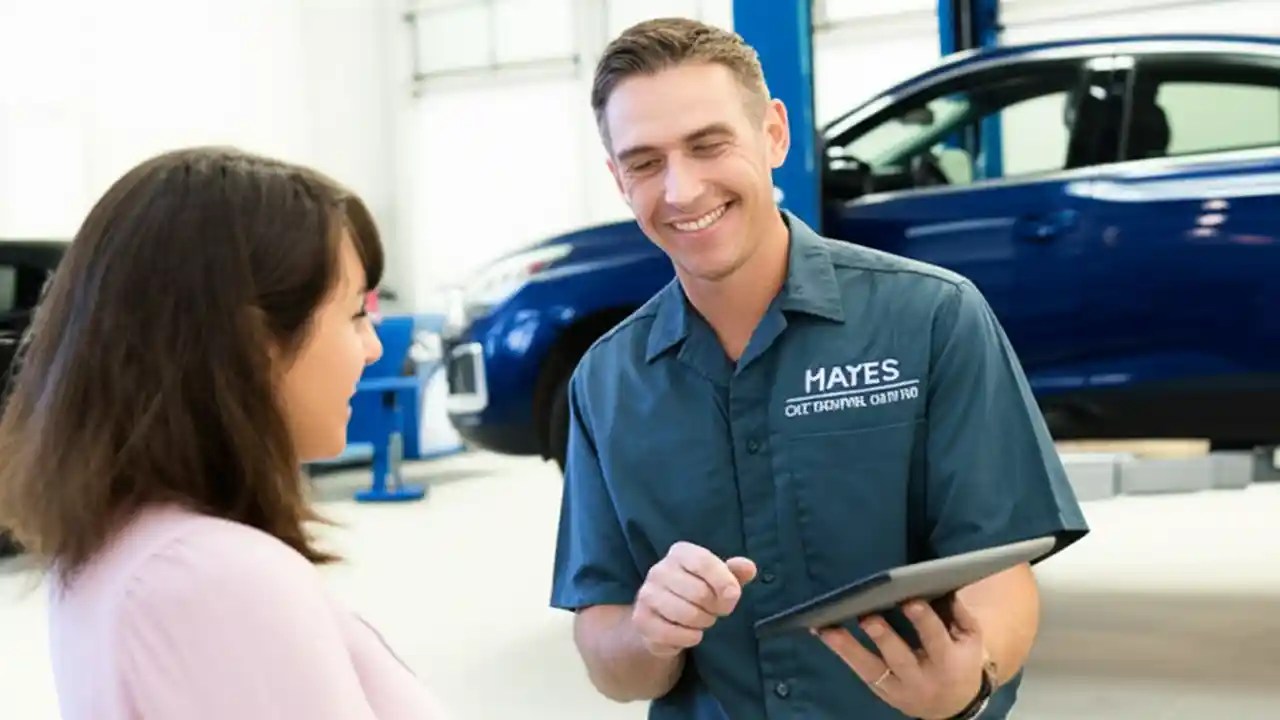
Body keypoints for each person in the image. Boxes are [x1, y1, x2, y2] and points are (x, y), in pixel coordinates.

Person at [549, 17, 1089, 720]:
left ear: (774, 133)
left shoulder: (933, 318)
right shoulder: (607, 381)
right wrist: (648, 634)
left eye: (709, 145)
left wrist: (971, 675)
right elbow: (609, 653)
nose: (681, 189)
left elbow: (1000, 569)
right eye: (645, 162)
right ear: (618, 177)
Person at [0, 147, 447, 719]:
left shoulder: (124, 549)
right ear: (253, 343)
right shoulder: (207, 575)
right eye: (354, 315)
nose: (373, 347)